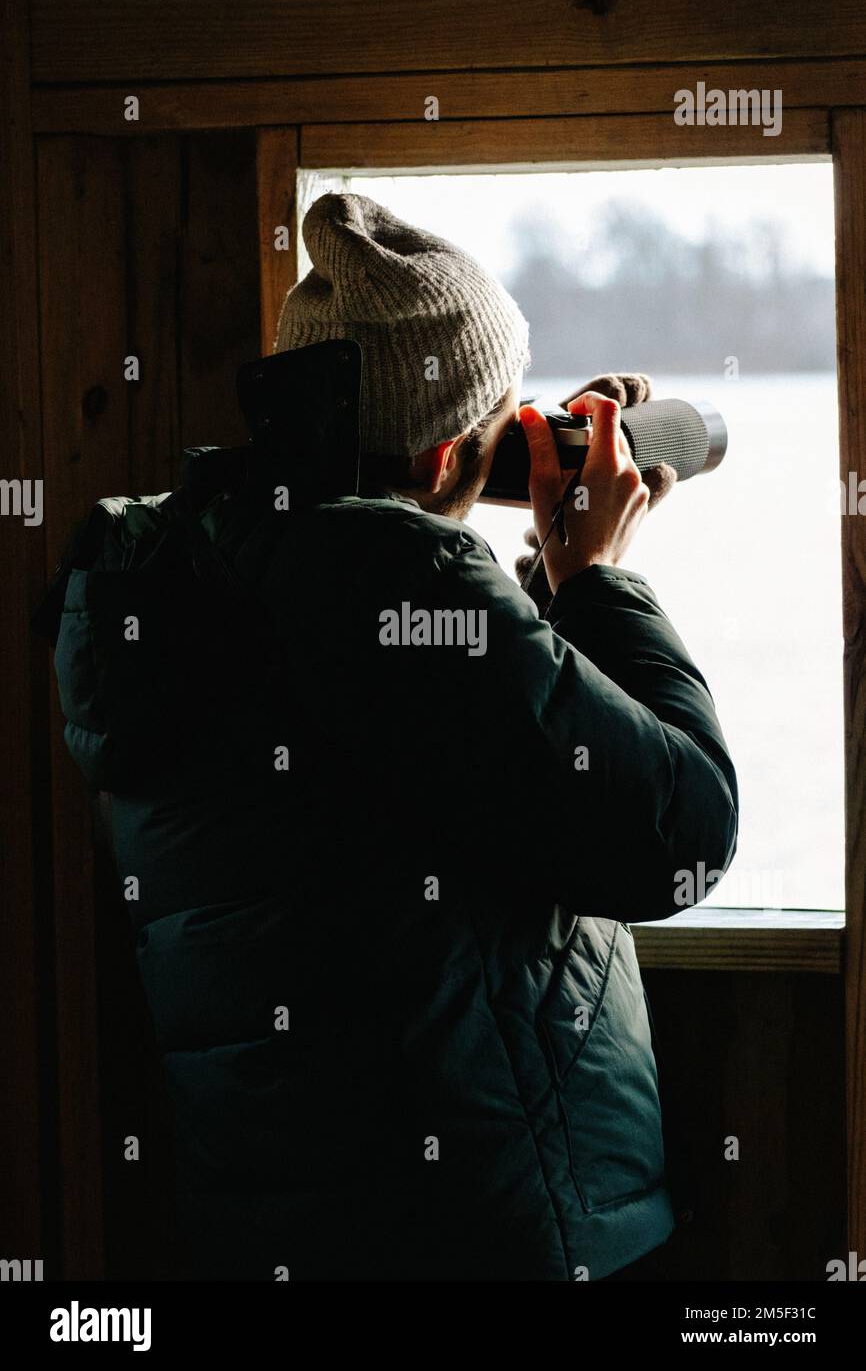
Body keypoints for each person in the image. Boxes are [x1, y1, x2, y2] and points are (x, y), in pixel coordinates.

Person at [44, 192, 738, 1281]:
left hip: (273, 1232)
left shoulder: (192, 576)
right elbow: (680, 828)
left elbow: (447, 773)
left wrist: (522, 585)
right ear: (434, 461)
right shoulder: (405, 600)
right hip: (479, 1235)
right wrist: (591, 577)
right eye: (501, 419)